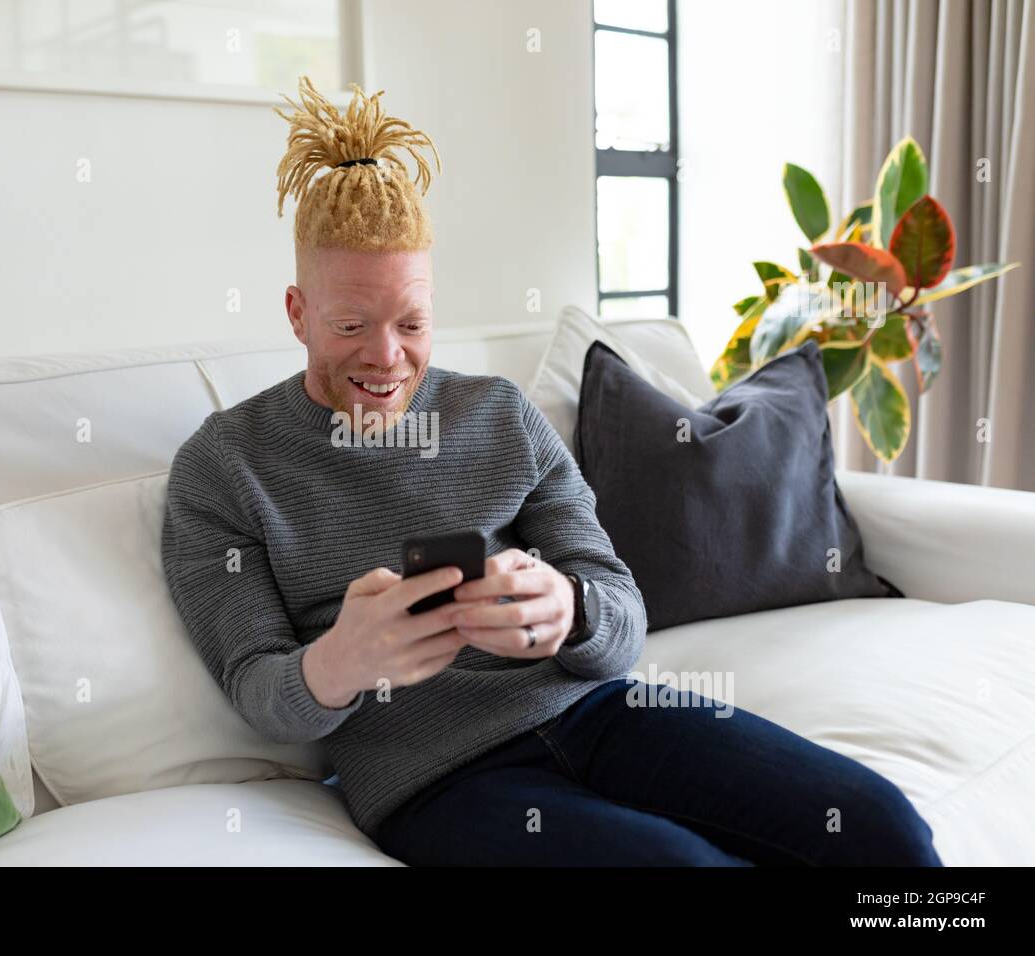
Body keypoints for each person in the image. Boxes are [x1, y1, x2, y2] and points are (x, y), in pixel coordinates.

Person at [160, 75, 942, 866]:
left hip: (597, 710)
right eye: (352, 325)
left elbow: (622, 615)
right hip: (438, 781)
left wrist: (568, 607)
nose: (387, 357)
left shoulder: (500, 416)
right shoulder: (225, 468)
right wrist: (339, 663)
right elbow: (258, 688)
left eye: (412, 321)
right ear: (298, 313)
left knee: (884, 829)